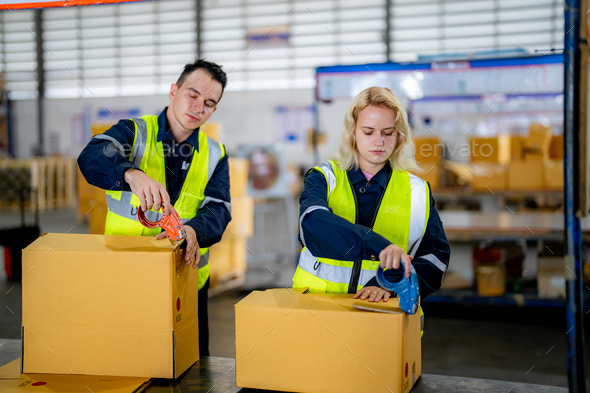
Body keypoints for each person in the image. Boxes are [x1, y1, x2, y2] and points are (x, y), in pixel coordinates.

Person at [78, 59, 231, 356]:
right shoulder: (134, 133)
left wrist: (192, 229)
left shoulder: (215, 154)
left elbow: (219, 210)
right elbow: (92, 156)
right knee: (128, 360)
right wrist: (130, 174)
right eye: (193, 94)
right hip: (128, 275)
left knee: (190, 365)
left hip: (185, 279)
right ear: (174, 91)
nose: (199, 106)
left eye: (210, 102)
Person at [293, 86, 450, 333]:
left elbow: (436, 259)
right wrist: (379, 246)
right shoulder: (323, 177)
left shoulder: (417, 191)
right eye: (368, 132)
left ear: (399, 136)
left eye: (388, 133)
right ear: (352, 133)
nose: (379, 142)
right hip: (318, 314)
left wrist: (389, 283)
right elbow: (313, 224)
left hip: (384, 321)